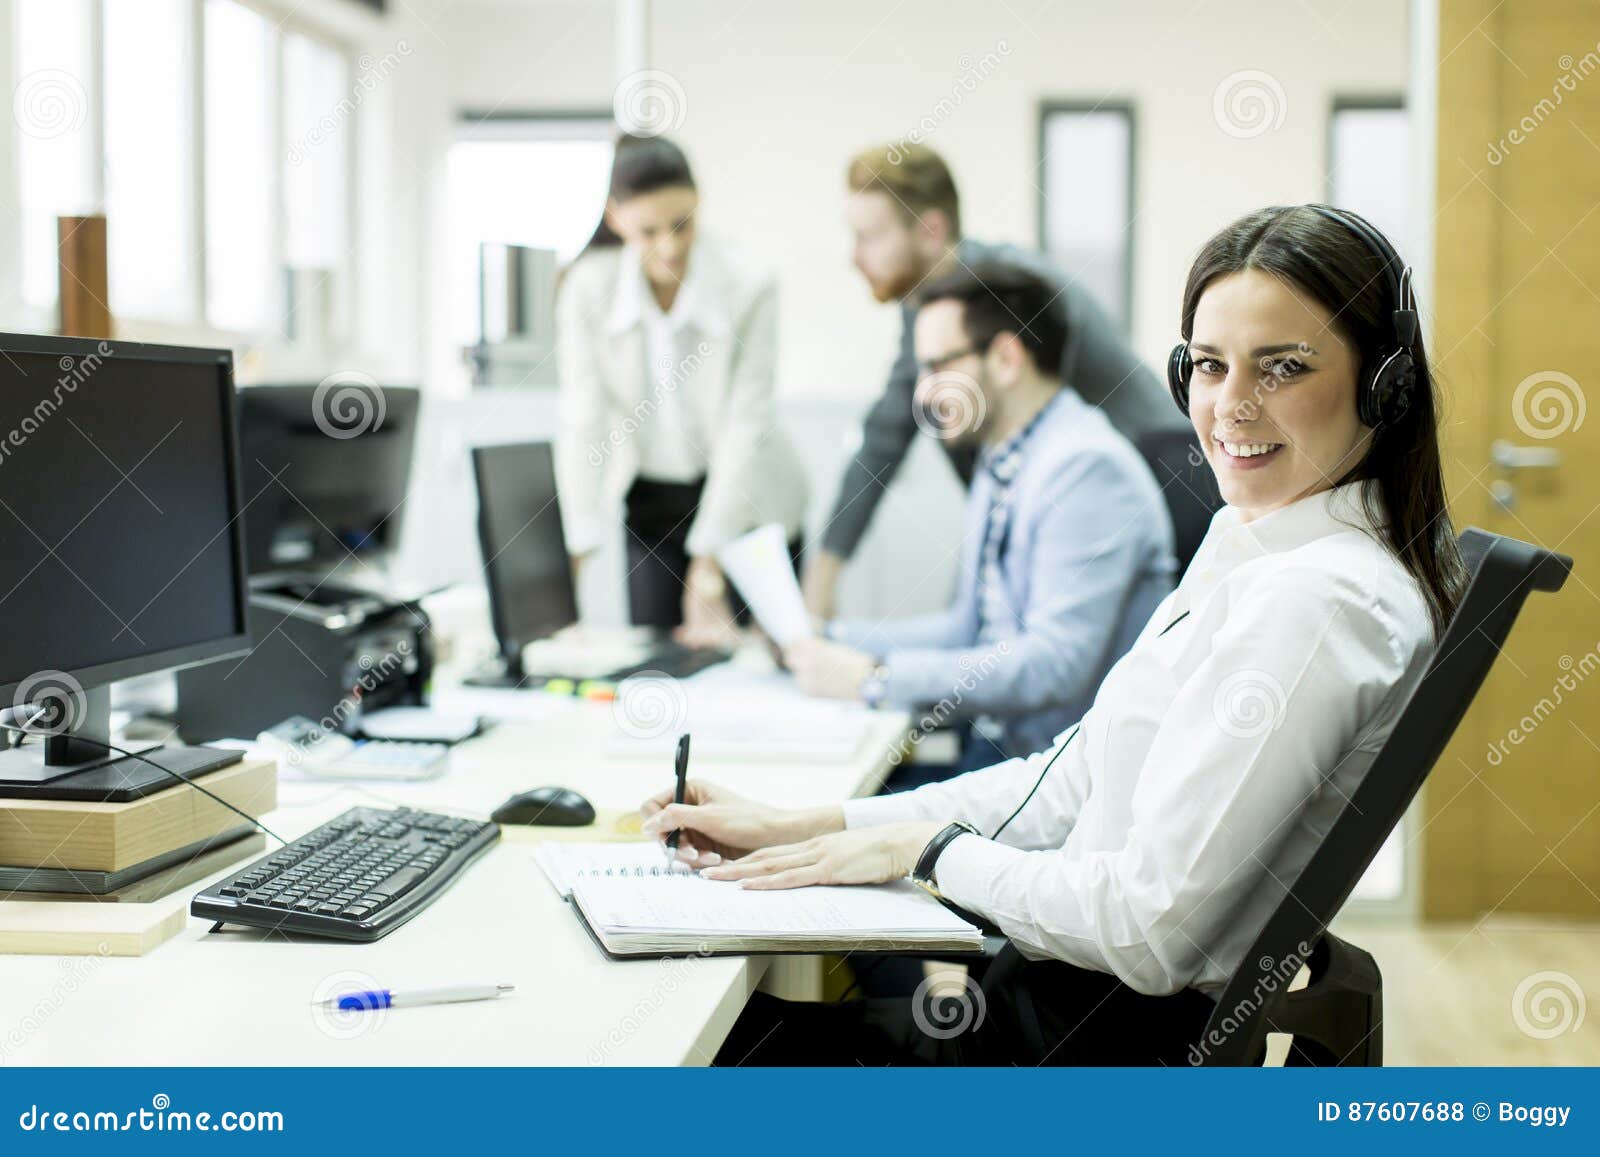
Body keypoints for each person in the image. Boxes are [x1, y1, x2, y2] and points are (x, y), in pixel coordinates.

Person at [639, 204, 1467, 1065]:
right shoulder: (1254, 536)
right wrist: (808, 826)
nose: (1229, 407)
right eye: (1210, 366)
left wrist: (927, 853)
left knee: (703, 1056)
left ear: (1385, 385)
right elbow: (1066, 783)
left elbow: (1151, 933)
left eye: (1283, 367)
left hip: (1085, 1048)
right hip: (1047, 1009)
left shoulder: (1320, 602)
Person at [784, 262, 1173, 780]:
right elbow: (969, 628)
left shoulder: (1087, 468)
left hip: (1058, 779)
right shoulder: (1004, 457)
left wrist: (876, 679)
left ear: (1007, 359)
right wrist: (834, 639)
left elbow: (1053, 665)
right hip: (1003, 754)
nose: (923, 394)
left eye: (938, 366)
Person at [800, 143, 1176, 620]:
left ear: (931, 231)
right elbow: (885, 435)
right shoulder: (932, 313)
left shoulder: (1014, 295)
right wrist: (823, 575)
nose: (854, 258)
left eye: (869, 237)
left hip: (1146, 492)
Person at [555, 134, 806, 644]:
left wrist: (709, 560)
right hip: (653, 501)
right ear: (615, 218)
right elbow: (584, 420)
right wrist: (576, 548)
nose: (668, 247)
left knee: (757, 659)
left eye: (682, 225)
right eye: (647, 231)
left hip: (749, 497)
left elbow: (747, 421)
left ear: (699, 205)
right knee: (658, 666)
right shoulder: (587, 289)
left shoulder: (750, 283)